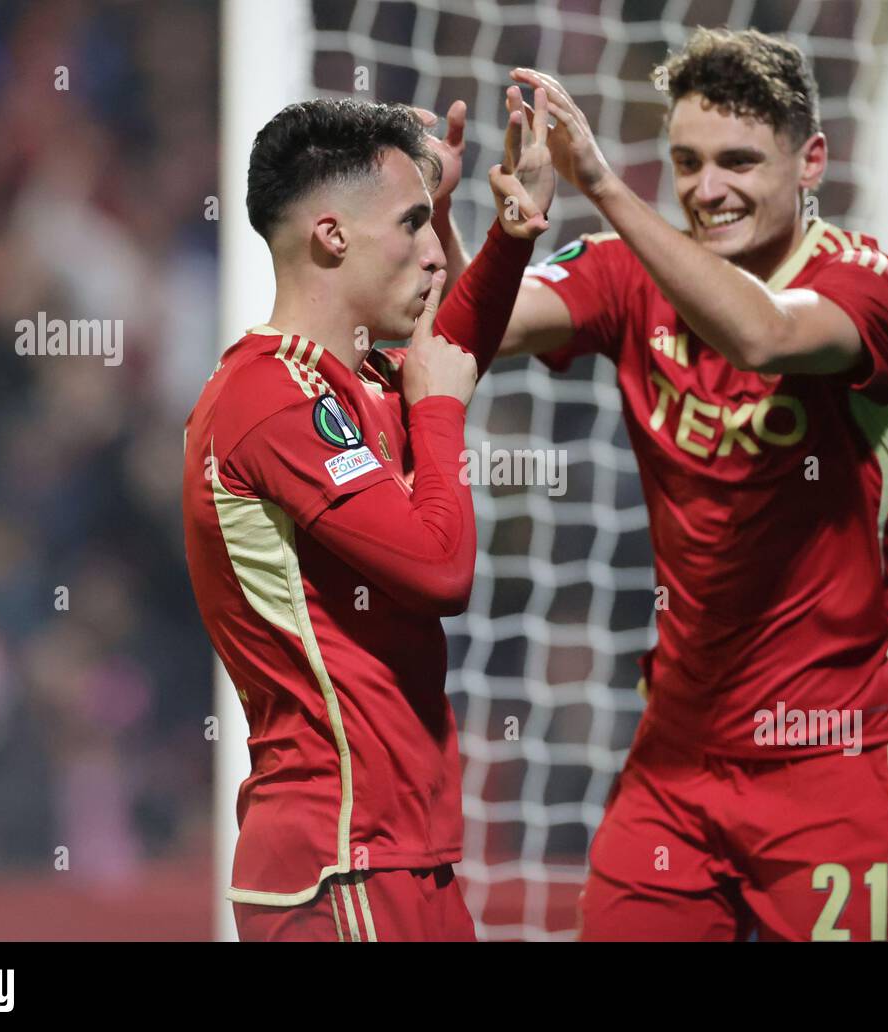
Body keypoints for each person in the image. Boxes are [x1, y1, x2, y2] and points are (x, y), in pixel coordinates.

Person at [431, 27, 888, 940]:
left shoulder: (869, 284)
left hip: (833, 750)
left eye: (739, 161)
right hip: (678, 758)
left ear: (810, 159)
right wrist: (471, 231)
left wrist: (605, 187)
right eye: (688, 162)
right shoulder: (627, 275)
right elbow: (475, 334)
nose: (707, 190)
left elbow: (766, 336)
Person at [182, 94, 553, 941]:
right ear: (332, 236)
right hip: (338, 861)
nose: (434, 254)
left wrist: (512, 232)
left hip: (394, 857)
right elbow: (439, 570)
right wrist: (443, 416)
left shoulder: (341, 384)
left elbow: (442, 356)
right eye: (415, 224)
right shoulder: (269, 399)